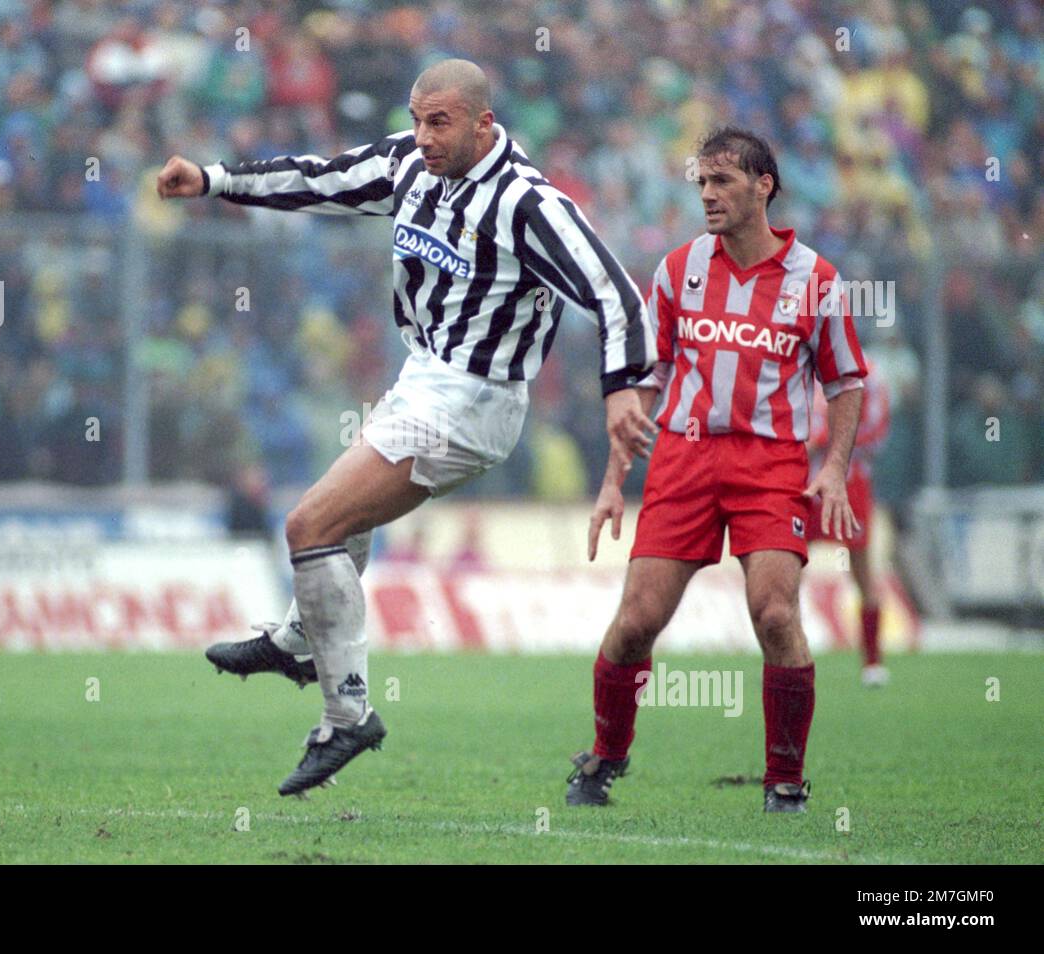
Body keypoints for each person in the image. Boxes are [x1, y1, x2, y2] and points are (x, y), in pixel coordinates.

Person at [156, 59, 655, 796]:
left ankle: (346, 714)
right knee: (339, 522)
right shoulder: (408, 164)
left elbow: (618, 296)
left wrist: (622, 390)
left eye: (440, 121)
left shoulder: (529, 204)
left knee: (309, 526)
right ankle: (300, 639)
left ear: (485, 121)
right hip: (421, 381)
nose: (422, 135)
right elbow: (319, 179)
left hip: (476, 401)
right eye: (417, 119)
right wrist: (213, 178)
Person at [570, 127, 867, 814]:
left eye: (722, 181)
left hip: (770, 464)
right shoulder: (678, 271)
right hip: (684, 456)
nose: (707, 194)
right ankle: (606, 754)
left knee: (773, 613)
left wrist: (835, 467)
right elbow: (646, 383)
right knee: (637, 621)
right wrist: (615, 481)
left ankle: (785, 780)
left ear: (764, 186)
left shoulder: (815, 280)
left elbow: (846, 380)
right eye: (701, 182)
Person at [807, 361, 891, 685]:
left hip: (850, 480)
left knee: (861, 568)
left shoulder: (870, 373)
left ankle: (872, 660)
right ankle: (785, 656)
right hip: (804, 477)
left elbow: (878, 428)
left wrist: (828, 438)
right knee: (788, 563)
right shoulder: (803, 363)